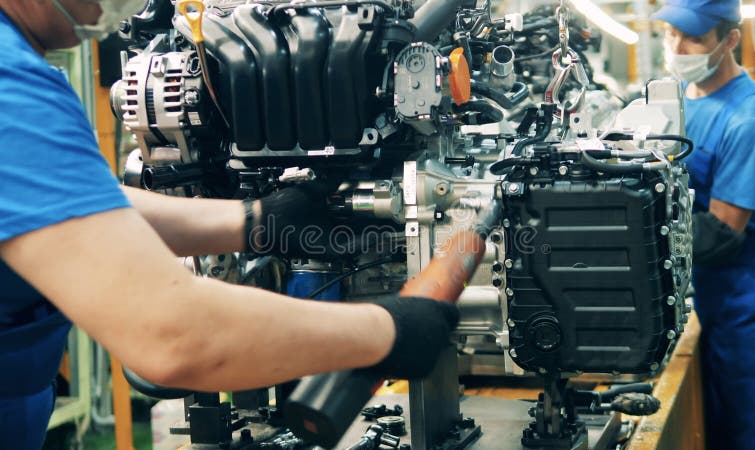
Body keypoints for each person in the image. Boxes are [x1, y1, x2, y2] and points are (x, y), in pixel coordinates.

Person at [0, 1, 459, 449]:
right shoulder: (13, 91)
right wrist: (388, 332)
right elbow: (172, 335)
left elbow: (84, 209)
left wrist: (258, 219)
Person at [653, 1, 755, 449]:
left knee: (752, 433)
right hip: (706, 290)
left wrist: (632, 241)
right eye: (671, 34)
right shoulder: (679, 96)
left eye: (693, 37)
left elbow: (722, 232)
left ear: (730, 40)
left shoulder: (751, 116)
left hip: (749, 299)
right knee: (712, 429)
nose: (678, 46)